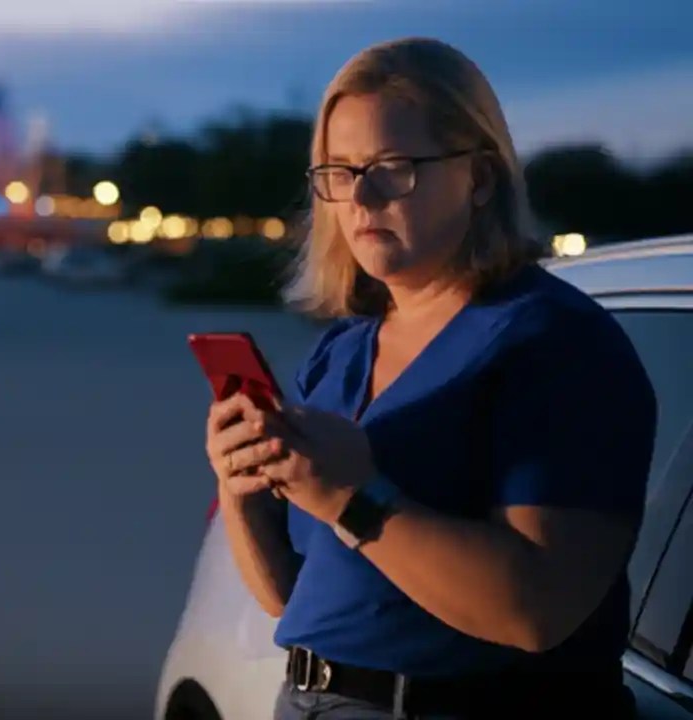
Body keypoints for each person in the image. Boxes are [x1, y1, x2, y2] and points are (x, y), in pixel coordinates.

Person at [204, 38, 656, 720]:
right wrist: (238, 490)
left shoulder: (554, 345)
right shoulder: (341, 354)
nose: (360, 196)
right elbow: (301, 601)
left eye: (394, 167)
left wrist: (353, 499)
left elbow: (536, 609)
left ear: (479, 178)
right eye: (339, 170)